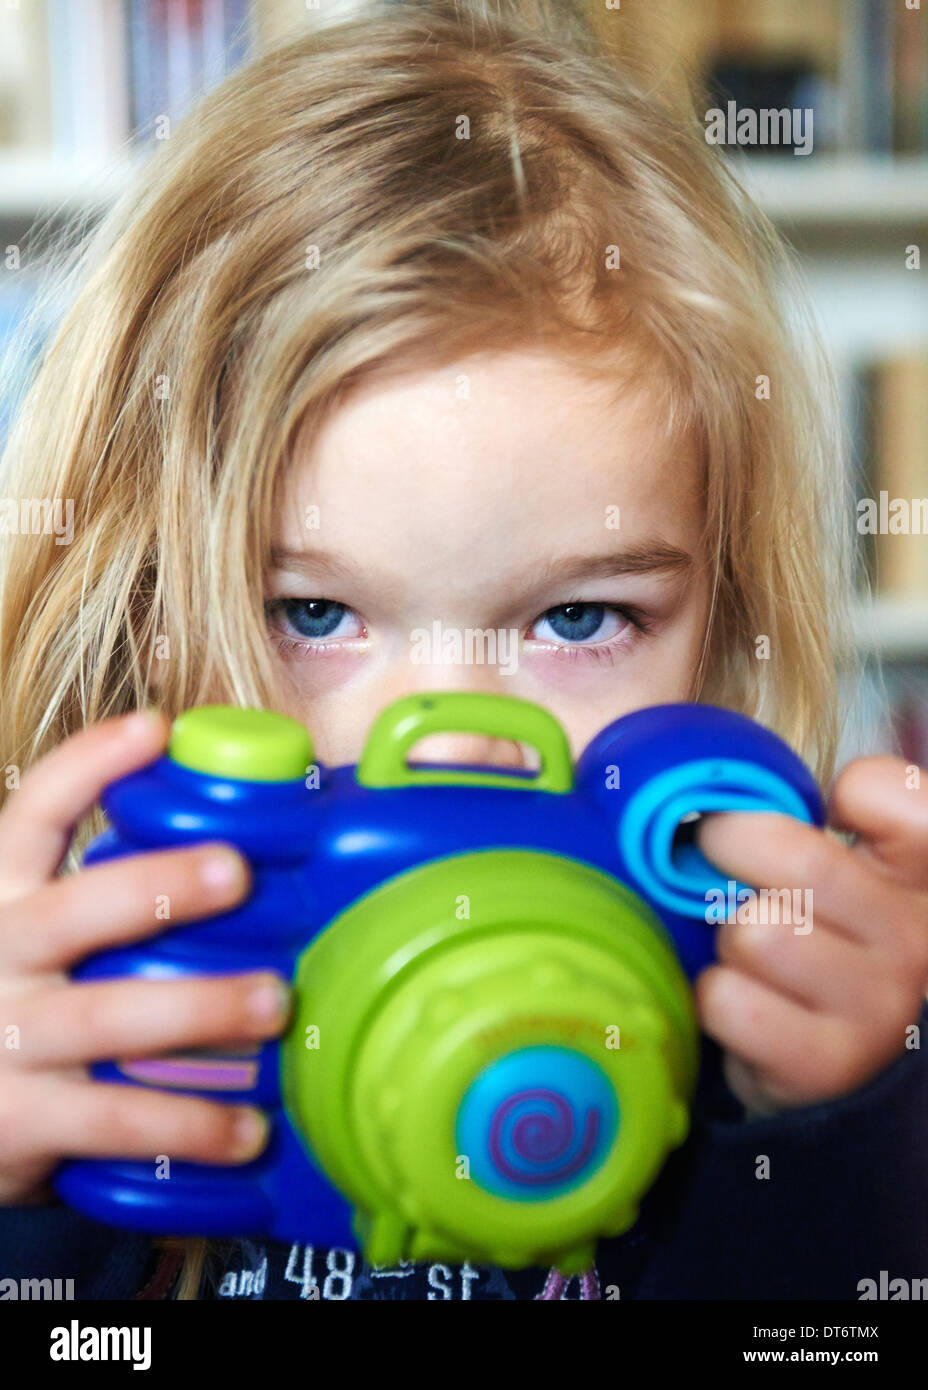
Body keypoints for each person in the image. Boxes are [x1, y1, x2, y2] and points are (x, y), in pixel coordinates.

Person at [0, 0, 925, 1301]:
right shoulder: (92, 998)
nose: (455, 732)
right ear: (139, 603)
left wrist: (831, 1133)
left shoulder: (750, 1034)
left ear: (721, 607)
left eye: (580, 618)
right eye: (312, 614)